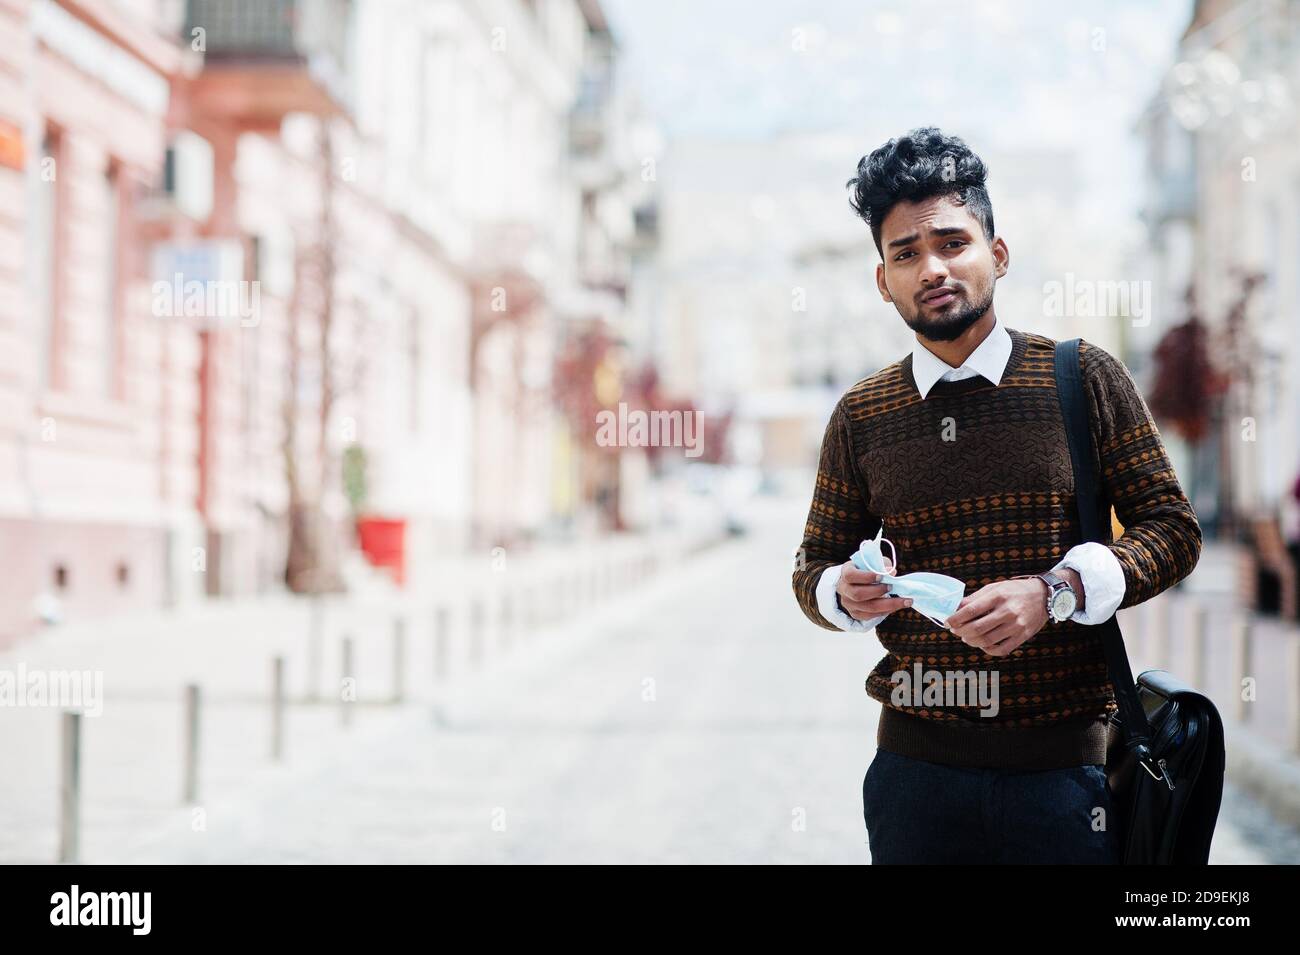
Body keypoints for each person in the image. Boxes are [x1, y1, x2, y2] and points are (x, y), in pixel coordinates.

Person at [791, 127, 1203, 864]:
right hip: (913, 782)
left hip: (1066, 780)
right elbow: (811, 567)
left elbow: (1173, 529)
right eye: (905, 252)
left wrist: (1058, 589)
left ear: (998, 254)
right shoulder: (862, 413)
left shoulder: (1082, 377)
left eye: (952, 242)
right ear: (883, 280)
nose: (932, 267)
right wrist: (840, 592)